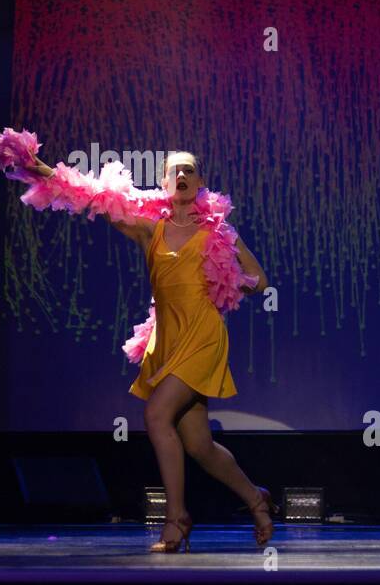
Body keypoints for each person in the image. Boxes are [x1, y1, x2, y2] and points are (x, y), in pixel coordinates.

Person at [18, 146, 277, 553]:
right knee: (198, 444)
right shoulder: (147, 227)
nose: (182, 177)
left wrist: (226, 278)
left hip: (204, 335)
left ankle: (177, 519)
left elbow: (259, 280)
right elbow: (94, 199)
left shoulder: (219, 231)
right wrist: (47, 172)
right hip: (168, 337)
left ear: (200, 181)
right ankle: (256, 499)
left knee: (156, 415)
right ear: (163, 182)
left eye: (189, 171)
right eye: (175, 172)